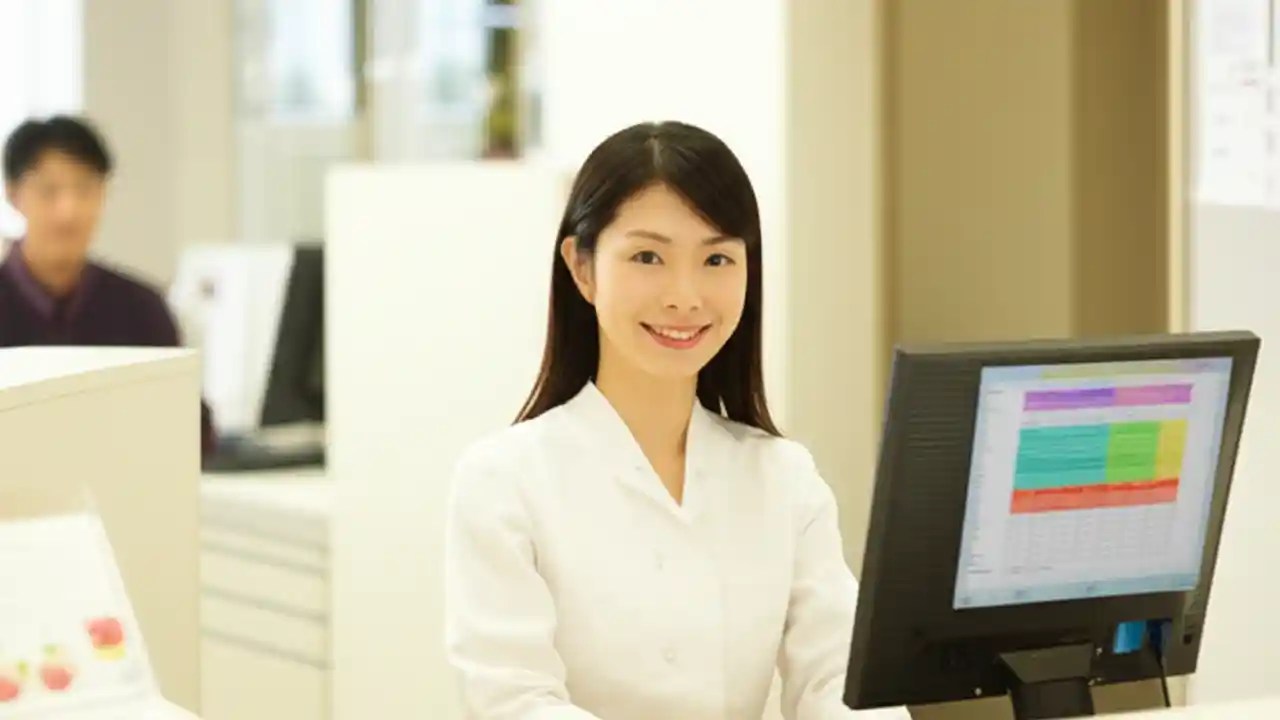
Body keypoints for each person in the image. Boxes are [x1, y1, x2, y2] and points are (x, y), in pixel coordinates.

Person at [444, 121, 909, 719]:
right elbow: (514, 701)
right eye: (648, 257)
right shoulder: (504, 480)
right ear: (582, 268)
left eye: (716, 258)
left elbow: (838, 678)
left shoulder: (784, 477)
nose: (685, 296)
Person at [1, 115, 215, 457]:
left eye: (85, 188)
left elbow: (189, 428)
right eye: (49, 191)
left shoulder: (141, 307)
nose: (69, 210)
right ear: (13, 194)